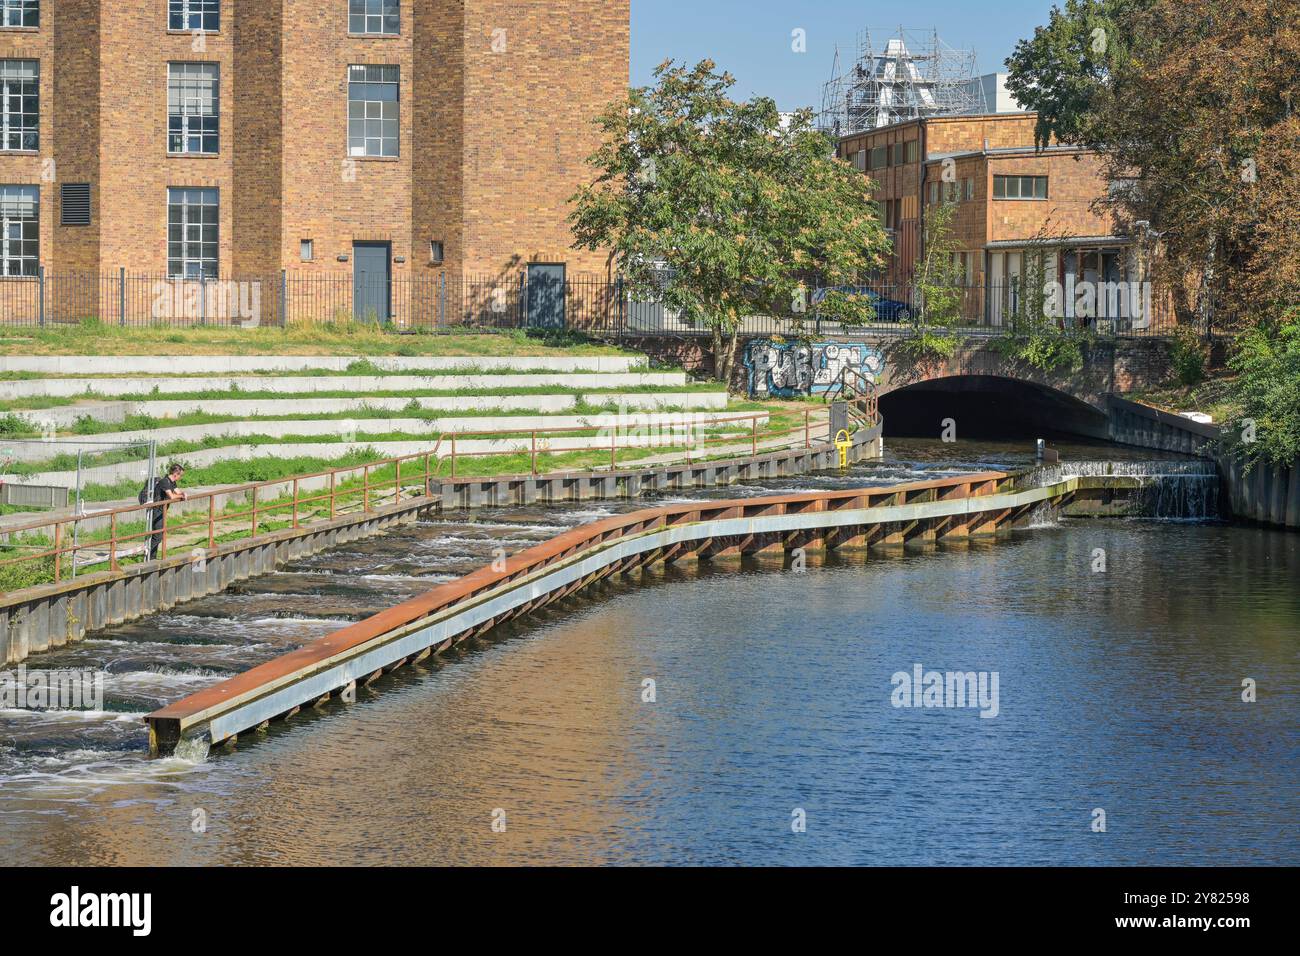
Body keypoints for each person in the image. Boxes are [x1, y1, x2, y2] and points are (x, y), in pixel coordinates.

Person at [142, 464, 187, 560]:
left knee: (159, 534)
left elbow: (178, 492)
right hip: (156, 510)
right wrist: (181, 496)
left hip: (161, 510)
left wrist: (183, 494)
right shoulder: (165, 482)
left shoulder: (172, 482)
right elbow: (172, 496)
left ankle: (151, 556)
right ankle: (148, 555)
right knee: (158, 535)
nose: (180, 477)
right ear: (175, 474)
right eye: (180, 475)